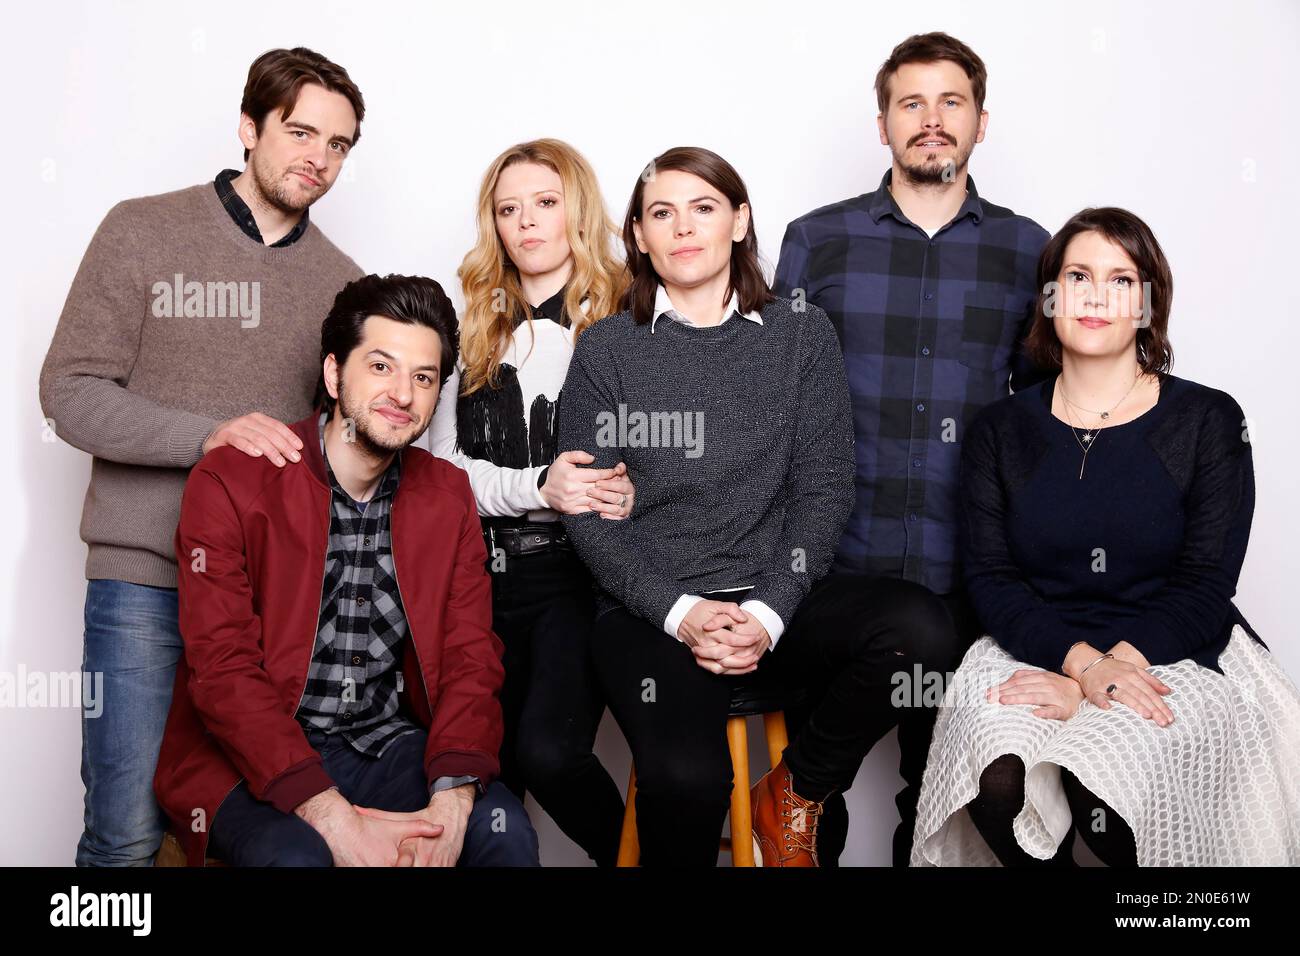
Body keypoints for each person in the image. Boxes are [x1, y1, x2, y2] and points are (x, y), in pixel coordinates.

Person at [38, 46, 367, 866]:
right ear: (248, 127)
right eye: (300, 132)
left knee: (254, 830)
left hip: (265, 601)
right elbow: (69, 390)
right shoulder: (142, 228)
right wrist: (206, 436)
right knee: (123, 835)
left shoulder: (343, 284)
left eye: (338, 144)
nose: (317, 159)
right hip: (142, 579)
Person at [912, 207, 1300, 866]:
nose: (1096, 294)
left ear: (1148, 305)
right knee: (998, 773)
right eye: (1078, 275)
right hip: (1034, 645)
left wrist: (1110, 676)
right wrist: (1085, 670)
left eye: (1121, 280)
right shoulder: (998, 431)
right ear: (1050, 299)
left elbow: (1205, 587)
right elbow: (993, 583)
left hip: (1177, 647)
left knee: (1115, 785)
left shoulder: (1209, 420)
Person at [764, 31, 1051, 866]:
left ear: (982, 122)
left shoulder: (1030, 249)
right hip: (832, 560)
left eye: (950, 102)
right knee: (815, 792)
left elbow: (1038, 417)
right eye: (911, 104)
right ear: (882, 123)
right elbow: (781, 401)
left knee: (934, 789)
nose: (931, 120)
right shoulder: (817, 240)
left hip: (960, 566)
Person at [154, 274, 539, 867]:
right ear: (334, 374)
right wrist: (332, 817)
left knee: (503, 833)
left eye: (424, 377)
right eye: (381, 367)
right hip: (248, 752)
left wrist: (454, 800)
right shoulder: (231, 480)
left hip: (382, 741)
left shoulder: (447, 493)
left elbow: (471, 656)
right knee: (297, 861)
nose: (403, 395)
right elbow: (222, 670)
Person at [557, 146, 856, 866]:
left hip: (771, 609)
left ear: (741, 221)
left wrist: (766, 612)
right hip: (654, 619)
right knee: (688, 778)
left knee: (917, 631)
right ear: (637, 236)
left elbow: (826, 487)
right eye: (662, 213)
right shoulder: (606, 350)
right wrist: (683, 612)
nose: (683, 229)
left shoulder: (802, 333)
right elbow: (589, 515)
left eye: (704, 208)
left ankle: (788, 796)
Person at [416, 139, 631, 865]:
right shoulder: (472, 324)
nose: (526, 223)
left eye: (545, 203)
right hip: (479, 578)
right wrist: (536, 487)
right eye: (508, 209)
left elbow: (643, 468)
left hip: (580, 576)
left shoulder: (629, 320)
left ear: (578, 208)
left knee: (549, 753)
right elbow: (440, 470)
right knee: (483, 771)